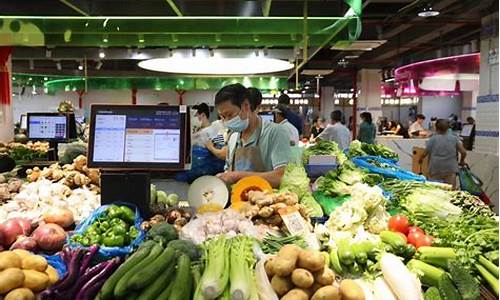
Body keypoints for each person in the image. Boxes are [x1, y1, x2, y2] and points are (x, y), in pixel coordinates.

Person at [214, 84, 291, 188]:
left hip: (266, 201)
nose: (227, 121)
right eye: (223, 117)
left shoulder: (275, 132)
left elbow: (281, 177)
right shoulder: (233, 138)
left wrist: (237, 176)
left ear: (246, 106)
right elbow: (228, 172)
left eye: (230, 115)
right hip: (237, 201)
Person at [421, 119, 467, 188]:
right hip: (450, 169)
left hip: (435, 169)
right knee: (450, 192)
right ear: (448, 128)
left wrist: (420, 159)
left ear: (436, 128)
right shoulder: (454, 139)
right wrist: (462, 161)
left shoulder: (433, 139)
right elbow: (463, 152)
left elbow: (424, 153)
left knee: (434, 192)